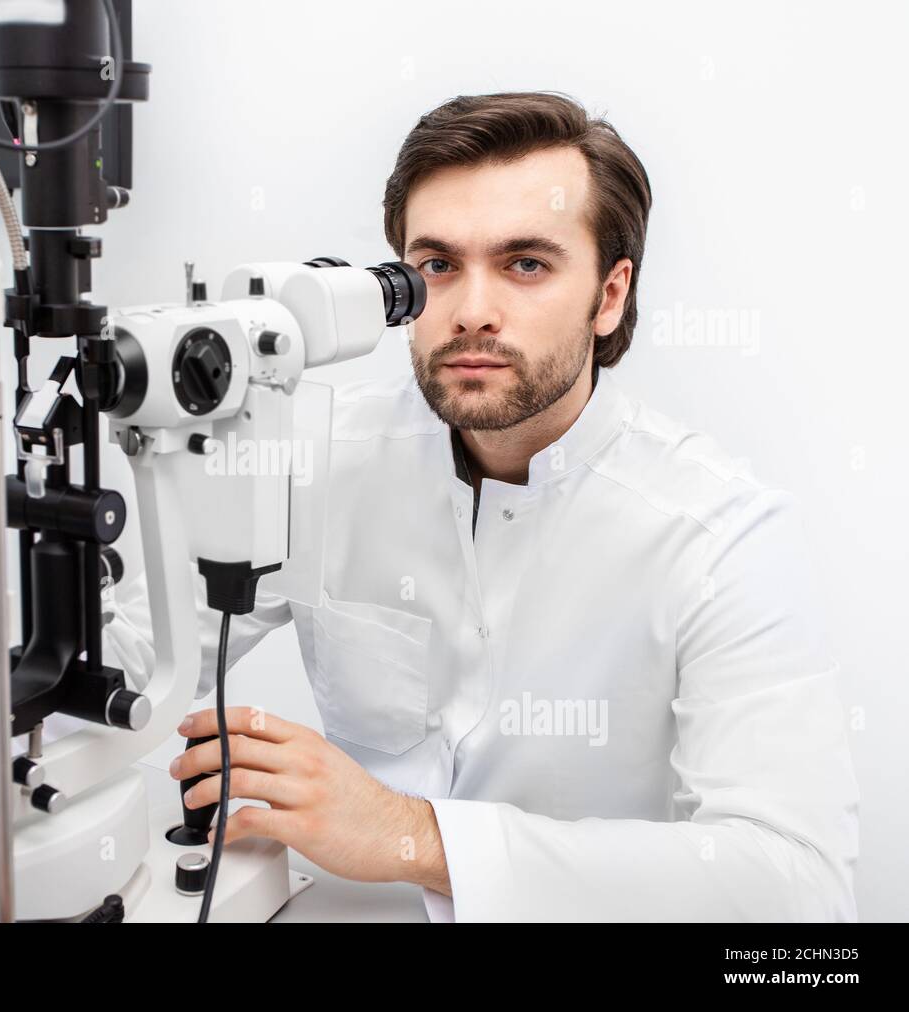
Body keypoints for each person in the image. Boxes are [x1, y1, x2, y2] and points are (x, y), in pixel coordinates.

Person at [106, 92, 860, 921]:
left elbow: (798, 886)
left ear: (609, 295)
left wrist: (413, 836)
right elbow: (128, 658)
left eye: (525, 264)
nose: (470, 312)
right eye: (436, 266)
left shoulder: (722, 536)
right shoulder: (313, 461)